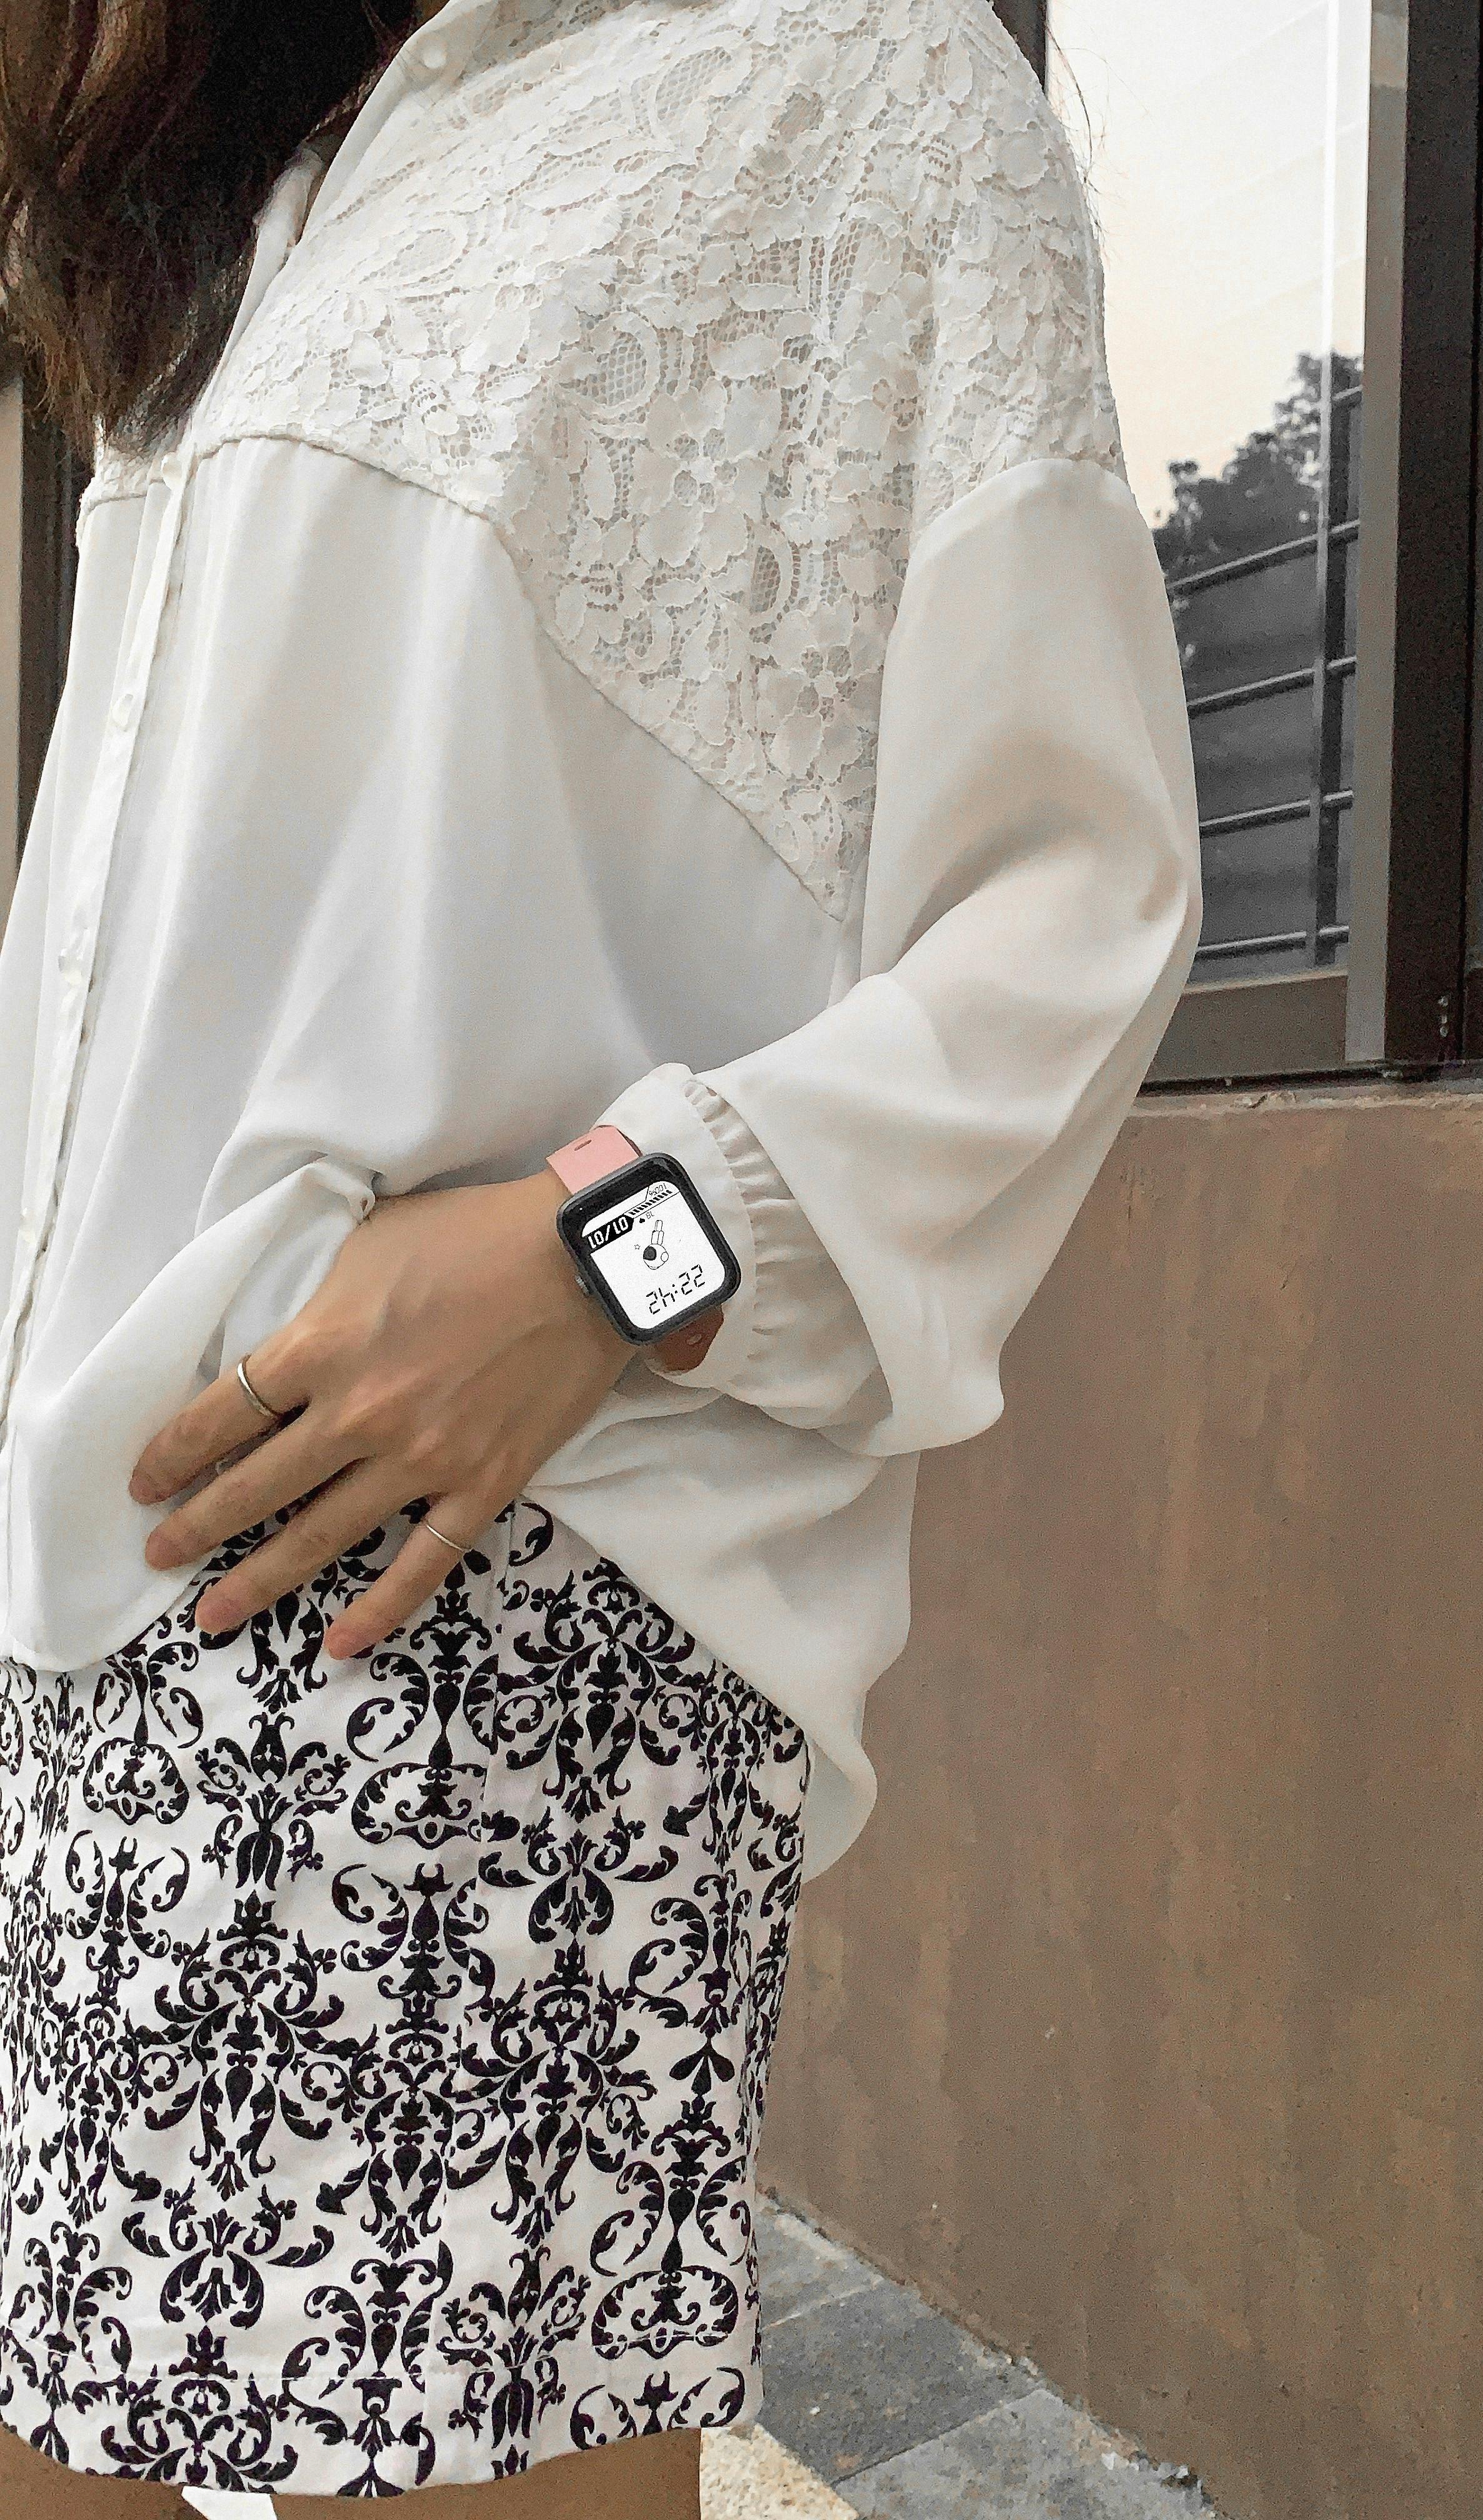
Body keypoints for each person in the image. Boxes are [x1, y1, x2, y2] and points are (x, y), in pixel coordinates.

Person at [0, 0, 1201, 2510]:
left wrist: (611, 1254)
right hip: (76, 1574)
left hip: (468, 1555)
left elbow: (1073, 906)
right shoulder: (249, 189)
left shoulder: (855, 91)